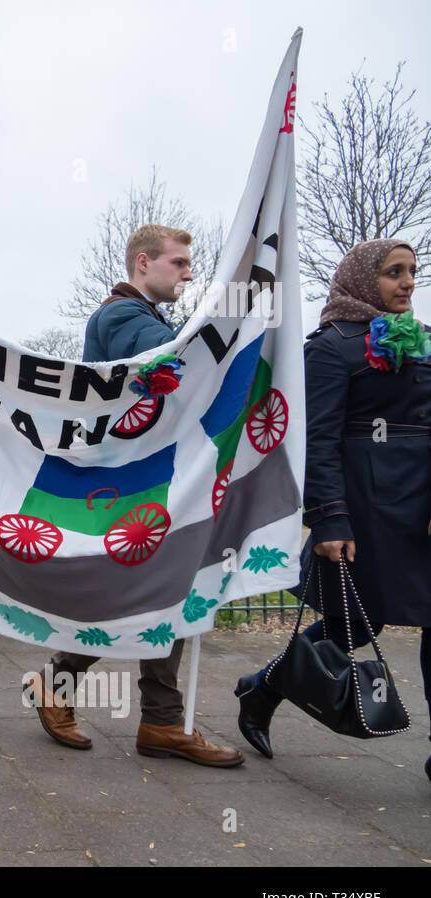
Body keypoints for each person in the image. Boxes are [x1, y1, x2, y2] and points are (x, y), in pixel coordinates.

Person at [25, 223, 244, 767]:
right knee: (144, 594)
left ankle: (157, 721)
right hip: (136, 482)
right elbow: (183, 360)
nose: (189, 272)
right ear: (143, 264)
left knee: (161, 592)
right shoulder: (124, 316)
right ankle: (78, 690)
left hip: (152, 478)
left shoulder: (137, 315)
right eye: (179, 263)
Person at [235, 239, 431, 780]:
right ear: (364, 279)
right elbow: (315, 439)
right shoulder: (332, 346)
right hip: (369, 510)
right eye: (394, 272)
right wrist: (329, 516)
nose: (408, 282)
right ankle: (262, 689)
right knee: (352, 626)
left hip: (423, 509)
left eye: (412, 271)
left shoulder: (424, 340)